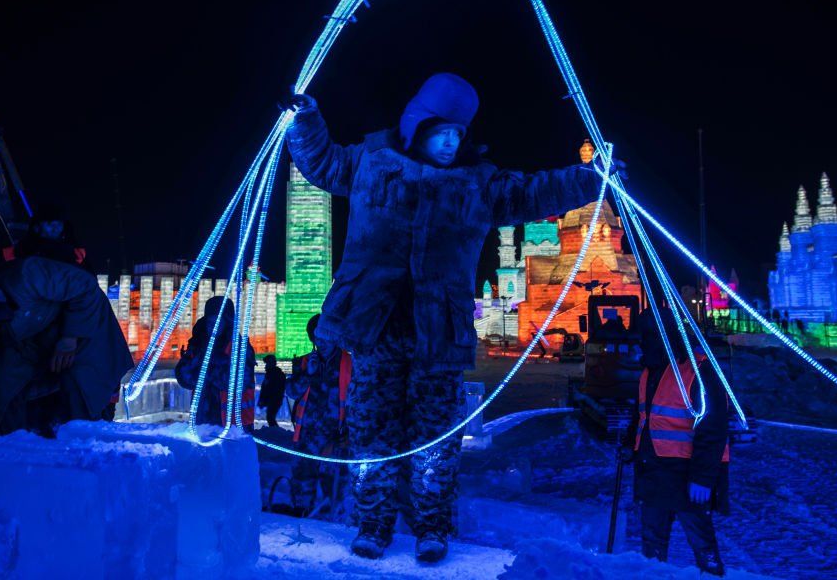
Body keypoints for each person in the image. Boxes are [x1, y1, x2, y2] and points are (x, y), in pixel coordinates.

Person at [282, 73, 602, 562]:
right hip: (377, 326)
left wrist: (591, 177)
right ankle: (373, 523)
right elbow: (322, 162)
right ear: (418, 126)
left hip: (439, 332)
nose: (453, 142)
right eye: (443, 131)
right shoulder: (371, 163)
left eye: (459, 133)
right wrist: (306, 119)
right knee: (372, 429)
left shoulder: (479, 184)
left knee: (436, 437)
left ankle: (432, 526)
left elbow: (537, 192)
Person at [0, 256, 133, 446]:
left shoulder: (27, 275)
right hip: (33, 344)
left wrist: (70, 337)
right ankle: (23, 451)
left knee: (80, 402)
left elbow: (85, 286)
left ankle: (82, 452)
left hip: (84, 335)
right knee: (4, 393)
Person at [627, 304, 729, 576]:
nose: (642, 343)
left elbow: (714, 428)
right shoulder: (651, 369)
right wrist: (630, 445)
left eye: (648, 336)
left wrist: (703, 478)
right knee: (652, 543)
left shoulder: (698, 370)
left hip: (686, 475)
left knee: (701, 542)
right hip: (654, 470)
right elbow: (644, 415)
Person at [287, 314, 351, 517]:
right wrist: (308, 374)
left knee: (332, 489)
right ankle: (302, 521)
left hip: (334, 438)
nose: (320, 343)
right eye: (316, 338)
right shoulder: (306, 362)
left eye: (325, 337)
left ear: (334, 336)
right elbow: (291, 391)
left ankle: (329, 525)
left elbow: (358, 401)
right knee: (302, 483)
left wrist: (348, 434)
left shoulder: (349, 364)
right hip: (306, 436)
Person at [175, 296, 256, 431]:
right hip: (202, 423)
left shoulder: (239, 347)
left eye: (218, 321)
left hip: (234, 427)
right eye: (210, 321)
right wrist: (208, 364)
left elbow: (236, 382)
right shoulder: (198, 344)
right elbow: (183, 377)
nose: (213, 326)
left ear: (227, 323)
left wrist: (206, 368)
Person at [258, 354, 286, 429]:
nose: (265, 366)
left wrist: (263, 401)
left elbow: (268, 389)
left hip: (274, 400)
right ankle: (275, 432)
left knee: (270, 417)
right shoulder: (273, 373)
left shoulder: (274, 374)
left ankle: (276, 433)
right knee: (270, 417)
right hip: (275, 400)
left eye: (267, 363)